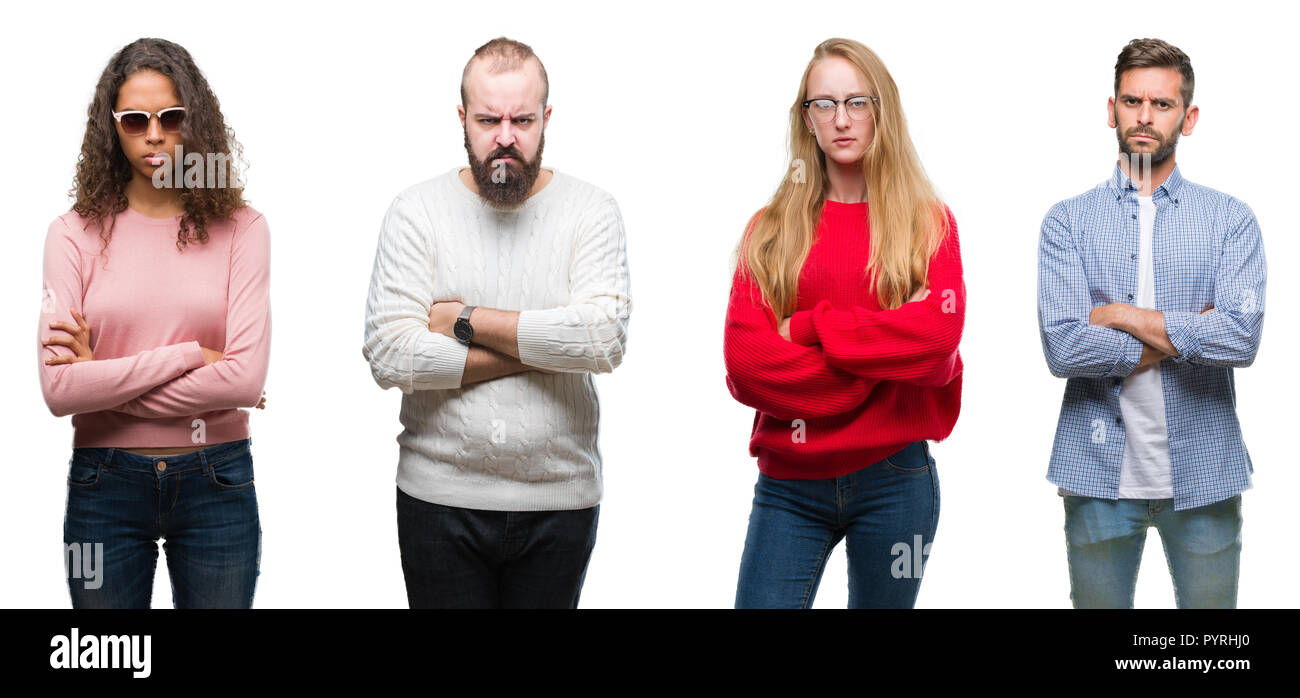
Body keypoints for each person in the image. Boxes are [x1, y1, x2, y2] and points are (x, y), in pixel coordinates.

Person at [362, 37, 631, 609]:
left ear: (546, 118)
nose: (505, 137)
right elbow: (389, 354)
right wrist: (546, 345)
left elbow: (603, 340)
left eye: (522, 119)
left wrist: (463, 319)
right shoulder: (417, 211)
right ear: (462, 118)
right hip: (438, 500)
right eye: (488, 119)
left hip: (561, 501)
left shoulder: (592, 211)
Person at [723, 38, 964, 609]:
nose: (841, 119)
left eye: (857, 101)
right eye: (823, 104)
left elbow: (936, 344)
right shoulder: (770, 228)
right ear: (806, 119)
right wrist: (881, 366)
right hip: (789, 484)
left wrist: (807, 329)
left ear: (882, 109)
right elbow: (747, 366)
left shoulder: (928, 224)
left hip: (896, 480)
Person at [39, 37, 270, 608]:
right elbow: (59, 388)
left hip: (217, 479)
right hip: (103, 486)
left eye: (171, 116)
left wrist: (104, 381)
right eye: (135, 119)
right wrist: (193, 355)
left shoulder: (244, 228)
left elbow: (243, 382)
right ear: (111, 126)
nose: (155, 134)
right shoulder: (72, 234)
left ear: (194, 118)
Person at [1037, 38, 1265, 609]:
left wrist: (1118, 316)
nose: (1144, 116)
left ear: (1187, 119)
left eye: (1161, 104)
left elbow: (1240, 337)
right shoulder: (1067, 222)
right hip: (1095, 475)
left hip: (1206, 474)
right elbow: (1064, 349)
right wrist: (1190, 332)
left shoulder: (1230, 221)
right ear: (1110, 109)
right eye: (1132, 101)